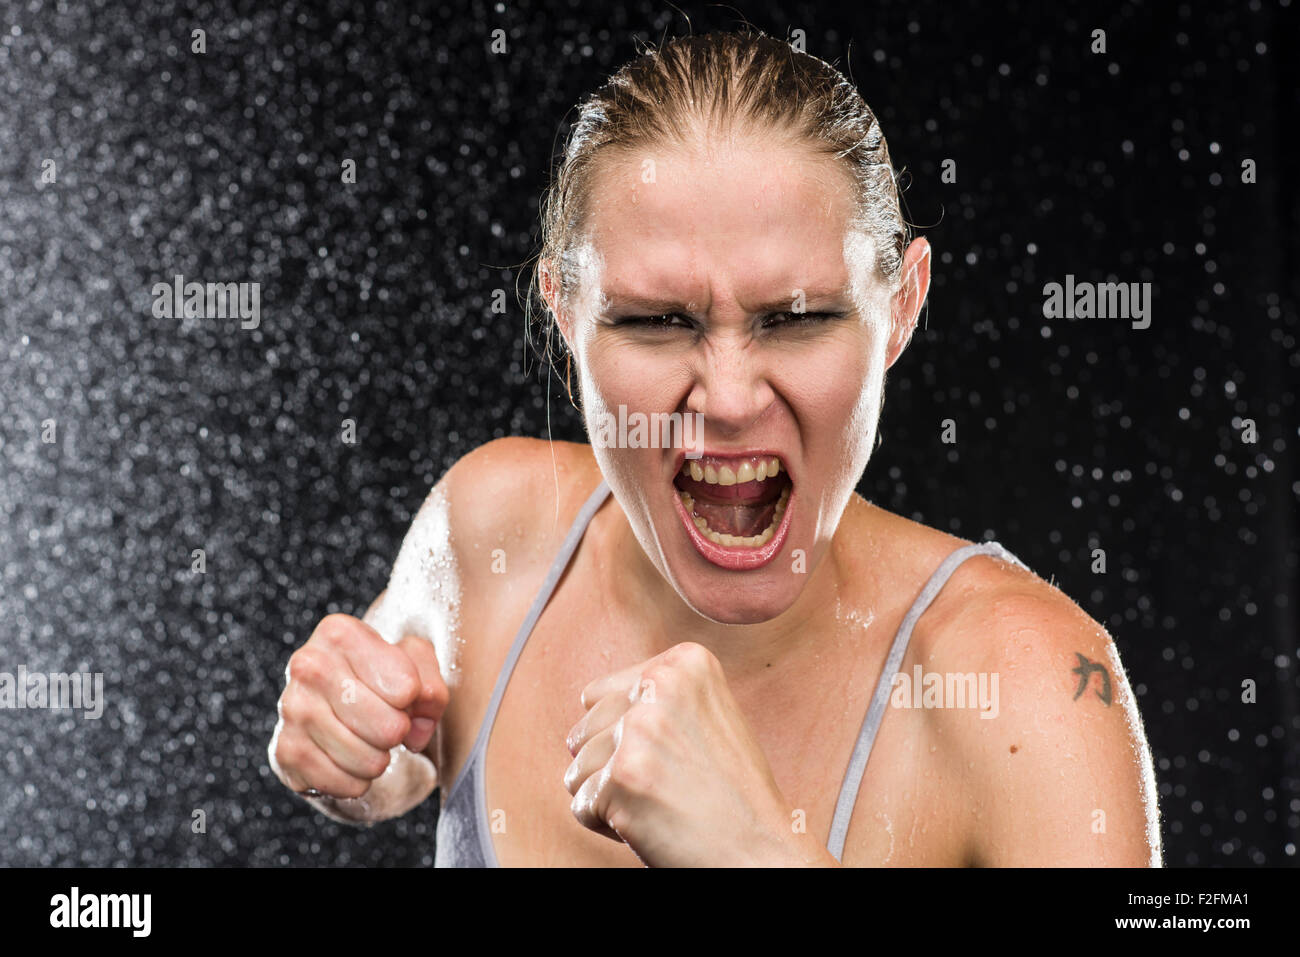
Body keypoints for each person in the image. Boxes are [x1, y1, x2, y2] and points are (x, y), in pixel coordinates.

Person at [268, 30, 1161, 867]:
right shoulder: (488, 527)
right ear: (563, 312)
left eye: (798, 317)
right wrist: (350, 754)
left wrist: (760, 857)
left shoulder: (1029, 683)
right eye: (657, 321)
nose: (728, 400)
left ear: (901, 305)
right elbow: (397, 749)